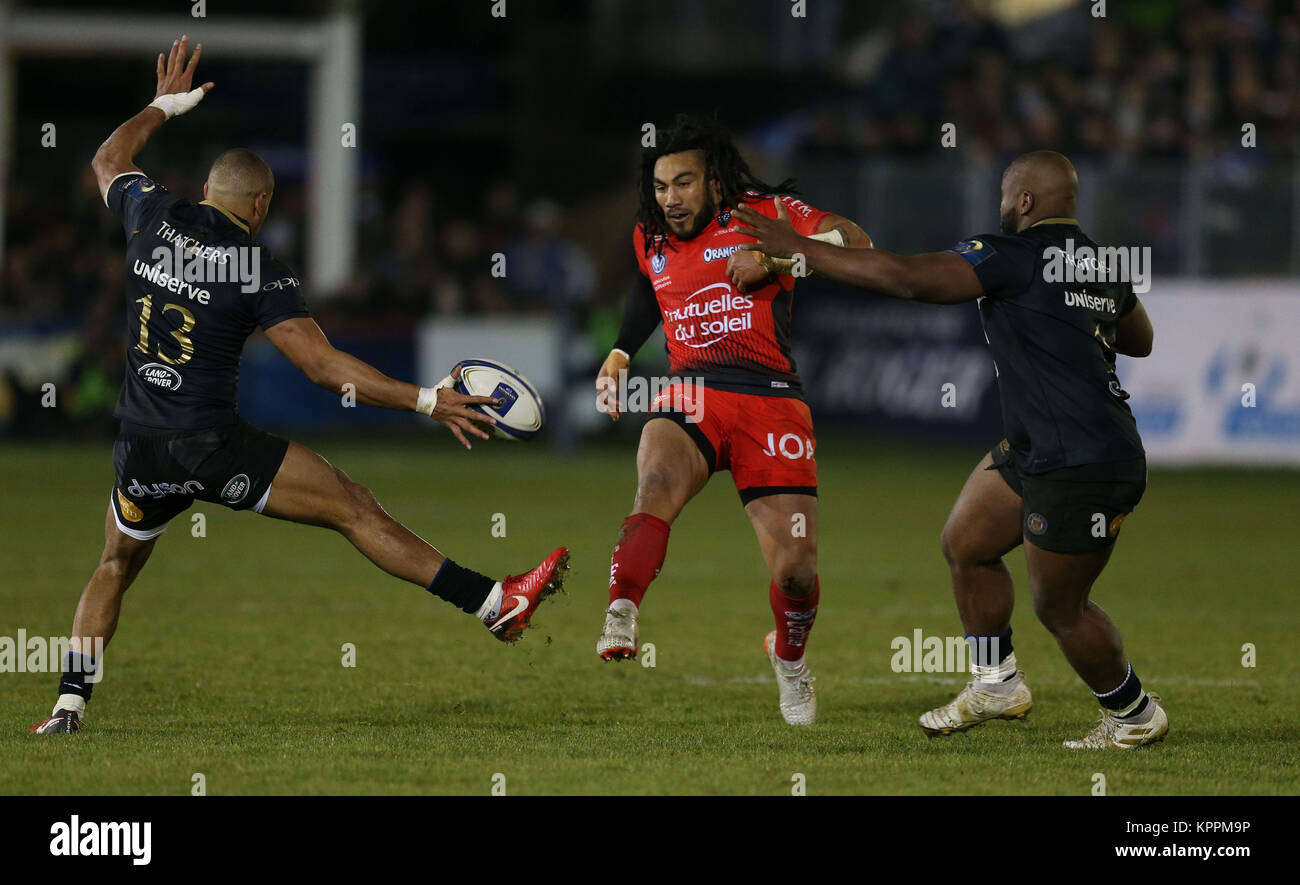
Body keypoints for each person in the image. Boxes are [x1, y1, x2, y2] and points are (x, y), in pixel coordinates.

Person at [31, 37, 568, 735]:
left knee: (115, 562)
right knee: (353, 506)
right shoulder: (257, 263)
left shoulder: (150, 213)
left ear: (205, 192)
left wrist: (162, 105)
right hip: (211, 443)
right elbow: (323, 367)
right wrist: (426, 398)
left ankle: (68, 707)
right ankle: (496, 604)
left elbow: (106, 159)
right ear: (258, 204)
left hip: (140, 443)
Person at [734, 150, 1168, 749]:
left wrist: (799, 247)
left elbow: (908, 278)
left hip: (1081, 460)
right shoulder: (1101, 263)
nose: (999, 207)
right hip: (1042, 444)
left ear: (1022, 202)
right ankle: (996, 684)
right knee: (968, 542)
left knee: (1060, 607)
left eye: (1003, 198)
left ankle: (1134, 714)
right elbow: (1139, 339)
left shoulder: (1009, 254)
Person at [594, 115, 871, 725]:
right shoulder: (651, 233)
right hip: (691, 392)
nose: (669, 199)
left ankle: (791, 659)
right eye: (662, 186)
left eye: (683, 184)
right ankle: (622, 608)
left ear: (715, 182)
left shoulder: (764, 214)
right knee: (656, 483)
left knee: (797, 573)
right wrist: (619, 351)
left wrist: (779, 260)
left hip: (771, 398)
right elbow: (648, 287)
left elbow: (856, 244)